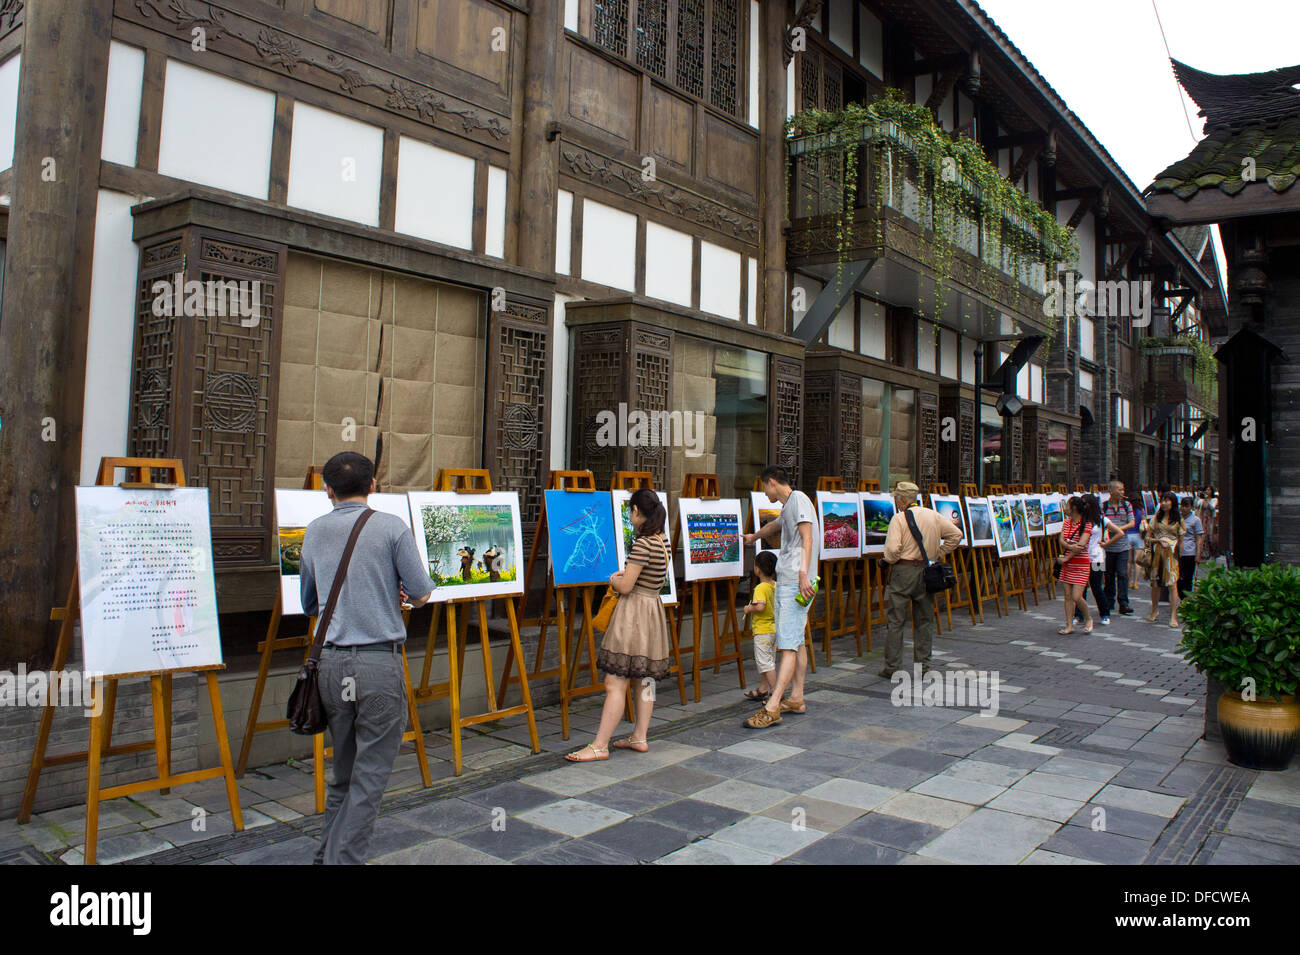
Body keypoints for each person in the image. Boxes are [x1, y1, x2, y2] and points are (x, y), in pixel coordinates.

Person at [300, 451, 433, 865]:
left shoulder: (313, 531)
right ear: (373, 485)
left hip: (333, 665)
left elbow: (310, 602)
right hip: (378, 662)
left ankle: (327, 856)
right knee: (371, 776)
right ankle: (343, 860)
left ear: (327, 490)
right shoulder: (391, 527)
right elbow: (422, 591)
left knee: (343, 772)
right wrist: (392, 592)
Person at [566, 488, 672, 761]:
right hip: (653, 614)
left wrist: (613, 580)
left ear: (636, 511)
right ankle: (640, 736)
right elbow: (649, 577)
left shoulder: (643, 543)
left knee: (615, 681)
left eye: (631, 511)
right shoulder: (662, 540)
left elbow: (625, 586)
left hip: (634, 614)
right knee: (645, 678)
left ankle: (599, 745)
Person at [741, 465, 817, 729]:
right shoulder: (791, 505)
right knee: (797, 643)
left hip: (794, 583)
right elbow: (776, 525)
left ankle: (772, 706)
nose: (764, 492)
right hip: (795, 582)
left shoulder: (798, 501)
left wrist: (803, 574)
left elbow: (807, 538)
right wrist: (754, 536)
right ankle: (796, 697)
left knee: (787, 646)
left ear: (772, 482)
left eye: (764, 486)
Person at [878, 481, 961, 677]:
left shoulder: (898, 519)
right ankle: (922, 667)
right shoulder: (933, 515)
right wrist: (939, 553)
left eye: (897, 498)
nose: (896, 502)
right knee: (924, 621)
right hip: (926, 572)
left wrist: (886, 561)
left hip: (903, 572)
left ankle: (892, 667)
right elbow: (956, 535)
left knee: (896, 621)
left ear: (903, 499)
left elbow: (892, 551)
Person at [1079, 495, 1124, 625]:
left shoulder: (1102, 520)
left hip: (1097, 558)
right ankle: (1079, 614)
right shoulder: (1080, 520)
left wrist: (1106, 544)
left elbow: (1120, 532)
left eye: (1084, 504)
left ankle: (1104, 613)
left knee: (1096, 587)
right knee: (1080, 588)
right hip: (1082, 558)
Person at [742, 550, 778, 702]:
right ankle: (763, 689)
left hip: (763, 630)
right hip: (774, 629)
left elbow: (760, 607)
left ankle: (776, 694)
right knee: (768, 662)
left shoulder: (760, 588)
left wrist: (749, 608)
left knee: (765, 664)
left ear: (757, 569)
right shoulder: (775, 585)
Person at [1056, 495, 1094, 635]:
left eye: (1067, 505)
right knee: (1067, 595)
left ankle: (1088, 618)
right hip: (1068, 564)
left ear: (1074, 508)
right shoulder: (1067, 522)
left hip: (1081, 564)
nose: (1066, 508)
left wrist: (1067, 556)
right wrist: (1069, 547)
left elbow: (1082, 545)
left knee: (1076, 596)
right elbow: (1061, 539)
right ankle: (1069, 624)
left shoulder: (1087, 524)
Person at [1145, 492, 1184, 627]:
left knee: (1172, 584)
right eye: (1162, 500)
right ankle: (1154, 610)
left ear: (1173, 502)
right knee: (1155, 584)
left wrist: (1178, 553)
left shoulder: (1178, 519)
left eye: (1167, 500)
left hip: (1172, 556)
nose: (1164, 503)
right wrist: (1158, 540)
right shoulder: (1156, 518)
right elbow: (1147, 537)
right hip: (1157, 554)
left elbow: (1181, 539)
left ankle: (1173, 616)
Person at [1101, 481, 1135, 615]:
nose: (1122, 492)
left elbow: (1132, 523)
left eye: (1123, 490)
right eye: (1120, 490)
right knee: (1108, 575)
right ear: (1111, 491)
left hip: (1123, 546)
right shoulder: (1103, 506)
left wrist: (1118, 529)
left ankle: (1123, 603)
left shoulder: (1127, 505)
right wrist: (1113, 531)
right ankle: (1109, 601)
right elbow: (1102, 523)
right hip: (1108, 547)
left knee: (1122, 574)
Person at [1178, 495, 1205, 599]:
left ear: (1191, 507)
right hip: (1177, 552)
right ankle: (1181, 597)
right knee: (1178, 577)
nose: (1184, 508)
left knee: (1188, 578)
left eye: (1186, 506)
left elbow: (1199, 538)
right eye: (1182, 506)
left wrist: (1198, 555)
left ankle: (1186, 599)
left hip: (1189, 552)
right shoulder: (1178, 518)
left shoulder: (1195, 520)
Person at [1126, 494, 1145, 590]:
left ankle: (1128, 581)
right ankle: (1136, 582)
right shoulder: (1141, 510)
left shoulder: (1128, 510)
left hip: (1128, 535)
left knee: (1128, 562)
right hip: (1139, 535)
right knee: (1138, 562)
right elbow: (1144, 522)